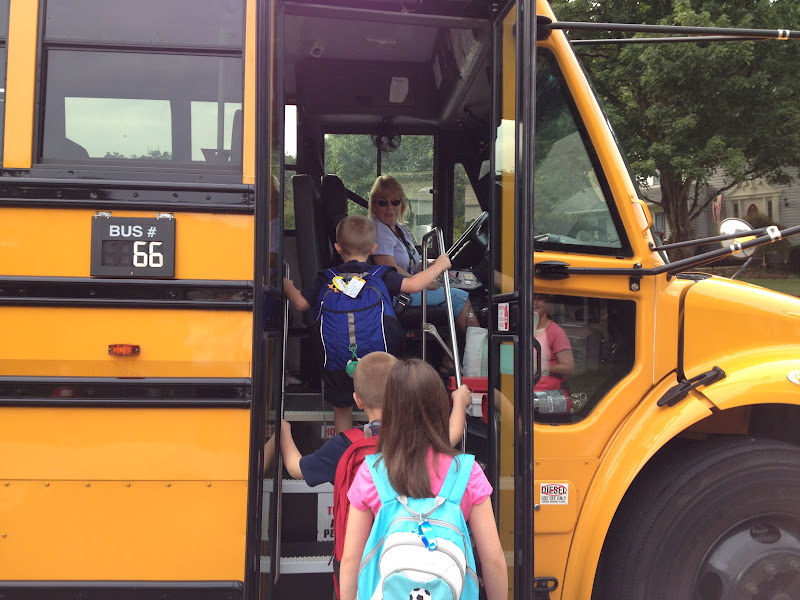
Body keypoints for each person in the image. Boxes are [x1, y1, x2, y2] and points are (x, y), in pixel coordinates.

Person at [339, 359, 507, 600]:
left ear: (390, 409)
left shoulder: (372, 472)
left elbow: (351, 561)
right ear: (441, 407)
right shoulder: (466, 472)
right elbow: (493, 560)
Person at [283, 215, 453, 433]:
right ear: (373, 248)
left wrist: (286, 284)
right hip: (378, 363)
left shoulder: (326, 278)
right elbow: (413, 285)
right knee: (384, 406)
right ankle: (384, 448)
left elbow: (299, 303)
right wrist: (440, 265)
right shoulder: (381, 275)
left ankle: (346, 449)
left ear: (337, 247)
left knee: (342, 408)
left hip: (337, 363)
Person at [277, 351, 472, 484]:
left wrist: (283, 429)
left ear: (358, 401)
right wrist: (460, 401)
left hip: (360, 534)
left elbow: (296, 469)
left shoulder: (342, 446)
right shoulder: (416, 436)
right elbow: (451, 434)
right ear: (402, 394)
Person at [368, 175, 481, 338]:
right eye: (383, 203)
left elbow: (410, 262)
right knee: (459, 298)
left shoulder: (399, 229)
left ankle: (451, 354)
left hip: (408, 287)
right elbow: (390, 270)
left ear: (402, 204)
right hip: (396, 294)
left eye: (395, 202)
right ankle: (480, 353)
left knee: (453, 292)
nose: (390, 207)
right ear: (374, 205)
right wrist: (425, 282)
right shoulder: (378, 230)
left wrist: (432, 264)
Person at [533, 293, 574, 391]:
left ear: (548, 305)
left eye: (540, 299)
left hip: (549, 392)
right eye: (532, 298)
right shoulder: (525, 329)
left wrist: (539, 368)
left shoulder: (556, 332)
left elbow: (568, 368)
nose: (535, 302)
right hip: (526, 389)